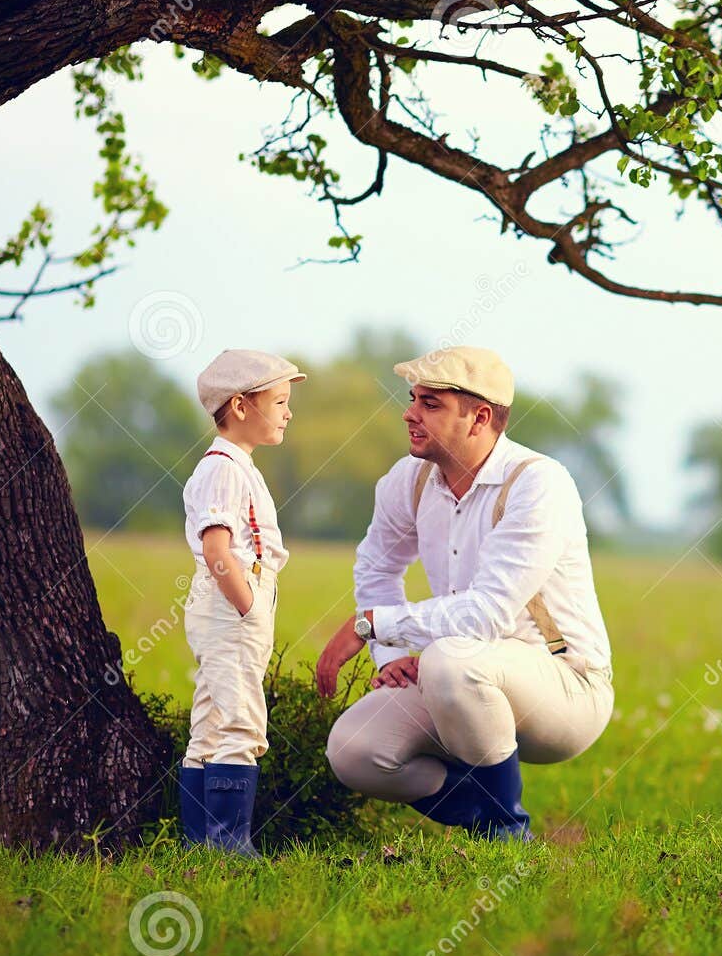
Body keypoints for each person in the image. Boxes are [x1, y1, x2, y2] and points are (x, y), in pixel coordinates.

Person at [316, 345, 614, 841]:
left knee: (452, 658)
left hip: (566, 685)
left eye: (430, 404)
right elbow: (377, 565)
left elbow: (487, 615)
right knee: (354, 751)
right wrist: (389, 654)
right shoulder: (406, 480)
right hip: (458, 678)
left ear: (479, 418)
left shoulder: (538, 484)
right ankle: (483, 813)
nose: (409, 414)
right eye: (413, 399)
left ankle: (506, 831)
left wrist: (374, 624)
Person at [179, 349, 305, 854]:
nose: (288, 412)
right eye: (279, 401)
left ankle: (200, 843)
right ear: (239, 406)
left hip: (232, 605)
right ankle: (229, 844)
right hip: (233, 607)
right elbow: (218, 549)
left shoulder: (236, 465)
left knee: (211, 721)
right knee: (242, 722)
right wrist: (249, 607)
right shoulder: (223, 469)